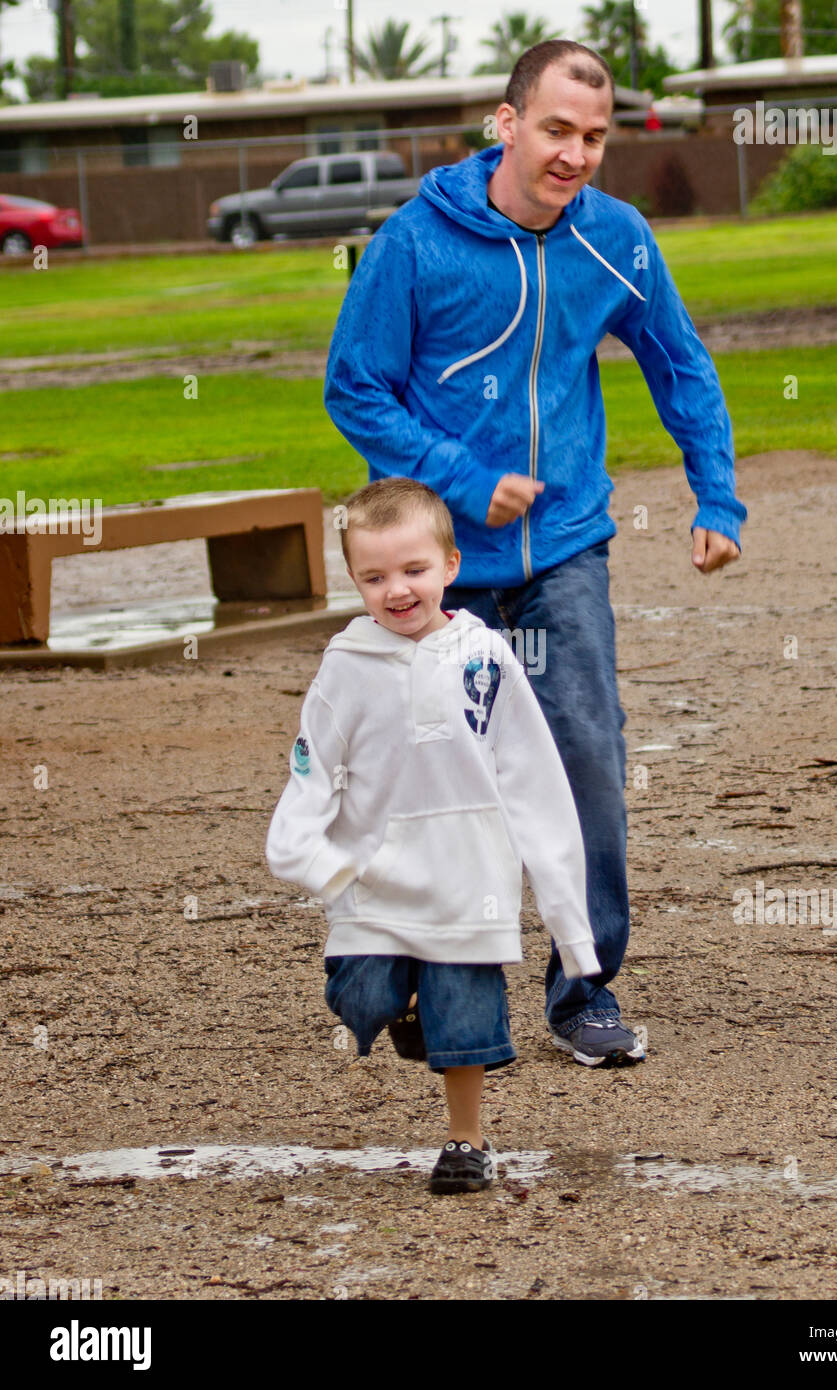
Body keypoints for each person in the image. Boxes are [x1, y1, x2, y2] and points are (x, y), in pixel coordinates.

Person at [323, 40, 747, 1068]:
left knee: (586, 756)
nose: (576, 154)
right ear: (505, 123)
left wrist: (718, 494)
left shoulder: (619, 239)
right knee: (425, 772)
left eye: (595, 137)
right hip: (438, 568)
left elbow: (679, 364)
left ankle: (584, 985)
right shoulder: (416, 245)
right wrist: (464, 482)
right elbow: (354, 386)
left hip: (563, 551)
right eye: (557, 129)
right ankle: (415, 972)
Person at [265, 477, 601, 1194]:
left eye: (414, 570)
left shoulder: (485, 658)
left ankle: (465, 1142)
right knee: (360, 1001)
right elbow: (310, 776)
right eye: (375, 576)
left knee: (465, 1025)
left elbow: (535, 785)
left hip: (467, 889)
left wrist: (570, 932)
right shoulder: (344, 668)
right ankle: (403, 1003)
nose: (397, 590)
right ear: (353, 580)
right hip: (370, 889)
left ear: (450, 565)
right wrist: (324, 868)